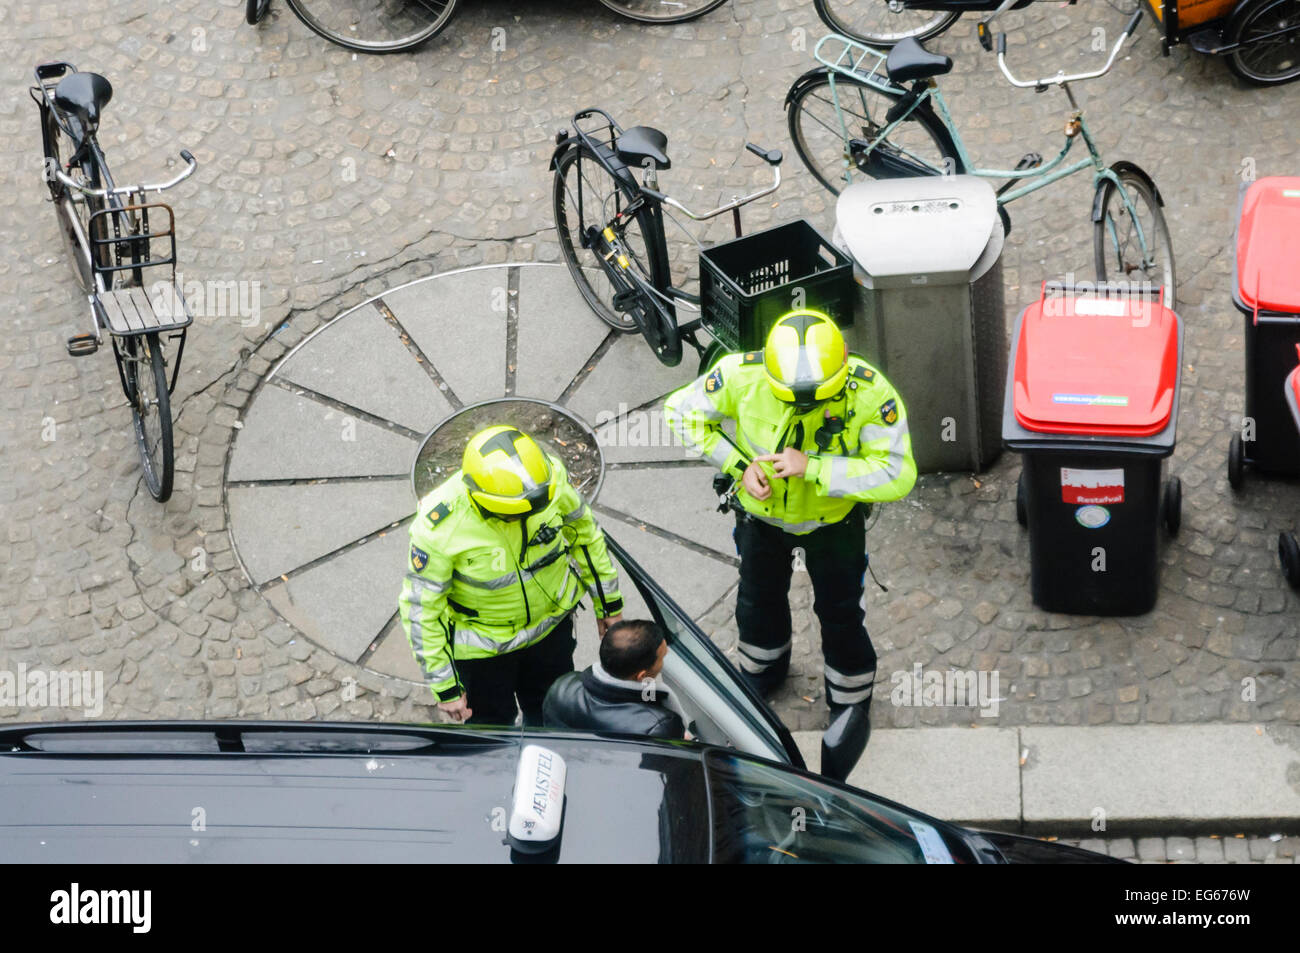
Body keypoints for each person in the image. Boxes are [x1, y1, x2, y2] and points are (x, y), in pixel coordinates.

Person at [664, 309, 916, 781]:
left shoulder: (869, 390)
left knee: (841, 611)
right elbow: (680, 412)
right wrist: (741, 466)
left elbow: (897, 473)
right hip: (761, 521)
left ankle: (850, 693)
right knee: (757, 599)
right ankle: (763, 668)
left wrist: (815, 468)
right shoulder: (741, 374)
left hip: (833, 525)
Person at [399, 425, 623, 726]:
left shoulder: (549, 481)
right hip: (484, 656)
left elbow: (586, 538)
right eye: (517, 514)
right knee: (492, 729)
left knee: (552, 713)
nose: (530, 516)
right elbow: (422, 611)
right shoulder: (439, 529)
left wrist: (609, 605)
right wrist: (446, 686)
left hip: (550, 635)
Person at [542, 619, 685, 739]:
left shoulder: (562, 686)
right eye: (662, 658)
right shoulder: (658, 728)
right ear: (641, 675)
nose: (664, 659)